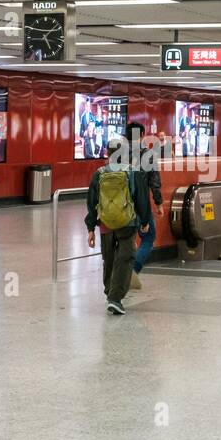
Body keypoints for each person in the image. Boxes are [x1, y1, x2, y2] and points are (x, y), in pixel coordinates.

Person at [85, 136, 151, 315]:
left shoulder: (99, 173)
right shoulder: (133, 172)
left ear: (108, 153)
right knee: (125, 258)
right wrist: (144, 222)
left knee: (109, 259)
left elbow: (91, 202)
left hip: (106, 224)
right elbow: (142, 200)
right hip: (127, 224)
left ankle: (109, 293)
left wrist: (91, 228)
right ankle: (115, 298)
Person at [125, 122, 163, 291]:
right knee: (148, 238)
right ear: (141, 135)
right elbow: (154, 182)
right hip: (140, 204)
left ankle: (118, 273)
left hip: (121, 205)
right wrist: (159, 203)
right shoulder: (147, 154)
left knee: (126, 239)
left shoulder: (118, 155)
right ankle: (133, 270)